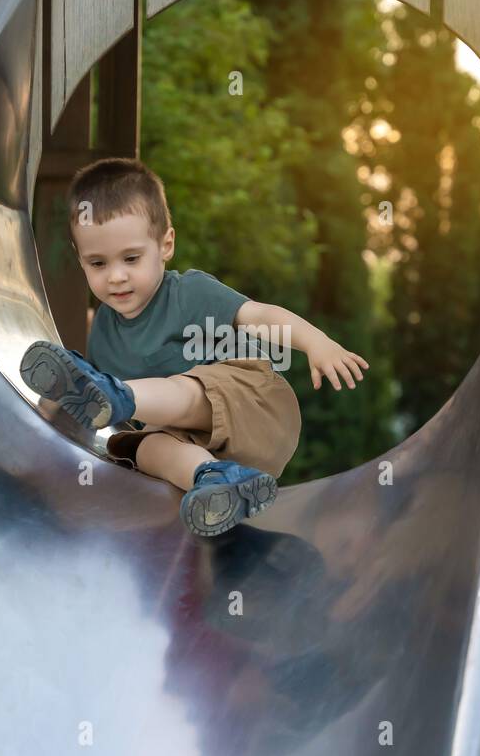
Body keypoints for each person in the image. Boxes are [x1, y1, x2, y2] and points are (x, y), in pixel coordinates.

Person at [21, 158, 368, 536]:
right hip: (217, 449)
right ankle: (216, 481)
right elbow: (72, 399)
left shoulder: (188, 293)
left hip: (257, 407)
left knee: (182, 390)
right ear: (80, 260)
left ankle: (120, 395)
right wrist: (40, 413)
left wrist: (314, 342)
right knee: (141, 447)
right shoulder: (103, 329)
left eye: (131, 258)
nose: (116, 276)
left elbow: (260, 316)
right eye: (98, 263)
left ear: (166, 244)